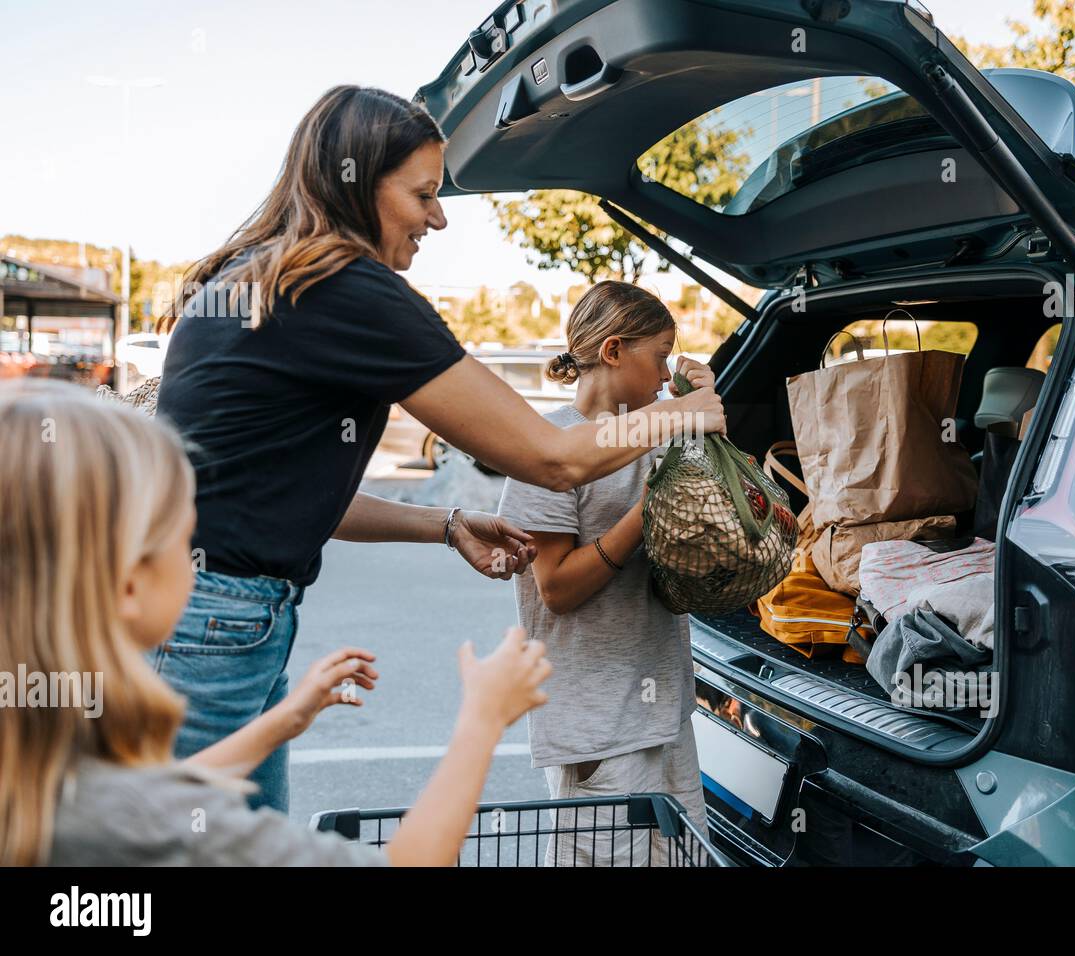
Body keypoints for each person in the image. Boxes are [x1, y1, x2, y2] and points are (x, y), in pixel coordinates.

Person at [153, 85, 724, 812]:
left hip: (200, 614)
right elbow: (554, 459)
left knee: (231, 844)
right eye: (424, 193)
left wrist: (446, 524)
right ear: (357, 184)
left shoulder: (260, 277)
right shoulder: (347, 290)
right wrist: (687, 415)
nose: (440, 216)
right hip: (216, 625)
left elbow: (284, 498)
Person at [0, 379, 551, 866]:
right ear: (126, 584)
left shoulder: (49, 769)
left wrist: (285, 720)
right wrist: (483, 716)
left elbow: (156, 794)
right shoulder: (131, 821)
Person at [496, 281, 709, 866]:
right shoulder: (549, 450)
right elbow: (556, 588)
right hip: (598, 730)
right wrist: (646, 514)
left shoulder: (652, 435)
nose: (667, 377)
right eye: (660, 355)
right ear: (613, 350)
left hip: (666, 714)